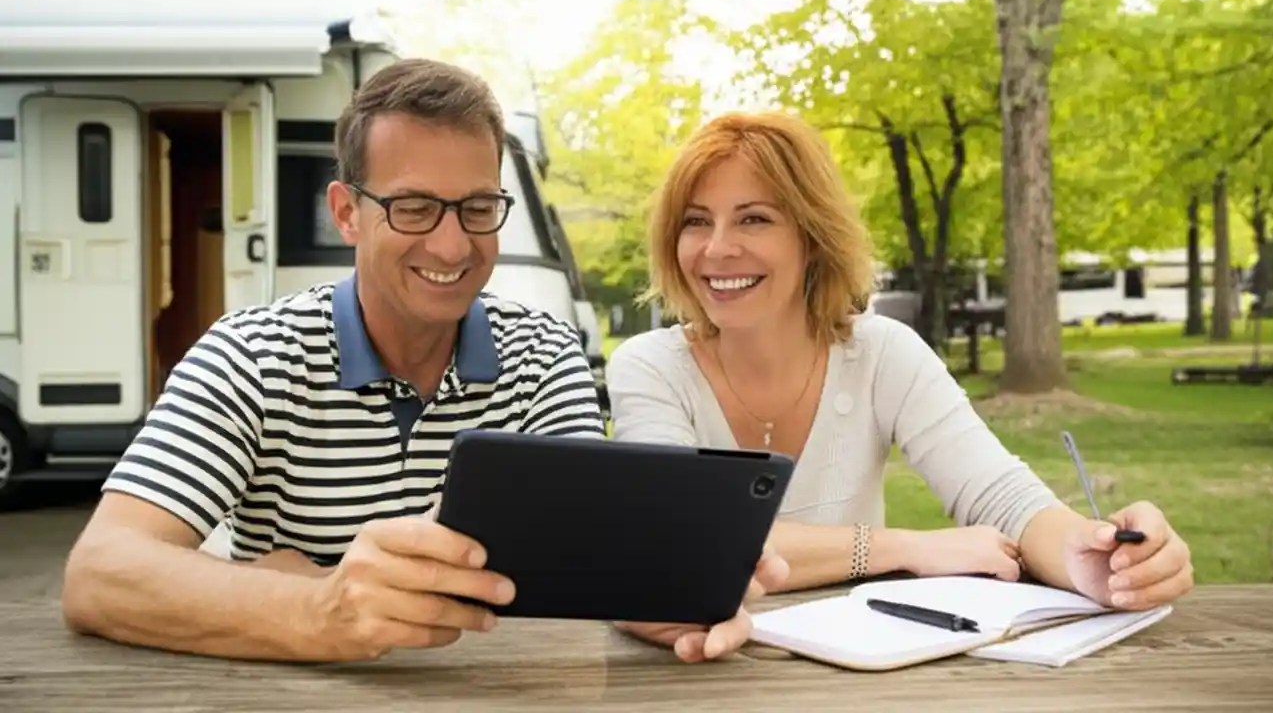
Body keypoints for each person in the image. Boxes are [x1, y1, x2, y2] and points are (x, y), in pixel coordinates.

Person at [60, 58, 784, 664]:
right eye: (412, 208)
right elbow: (101, 574)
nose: (451, 246)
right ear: (347, 212)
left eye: (477, 208)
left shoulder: (543, 352)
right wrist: (318, 607)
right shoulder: (248, 354)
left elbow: (584, 557)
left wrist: (649, 597)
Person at [606, 111, 1193, 611]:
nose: (716, 248)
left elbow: (1001, 496)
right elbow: (683, 540)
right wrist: (905, 548)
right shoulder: (650, 368)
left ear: (812, 238)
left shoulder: (883, 352)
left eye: (754, 218)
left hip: (864, 673)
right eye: (695, 221)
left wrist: (1092, 557)